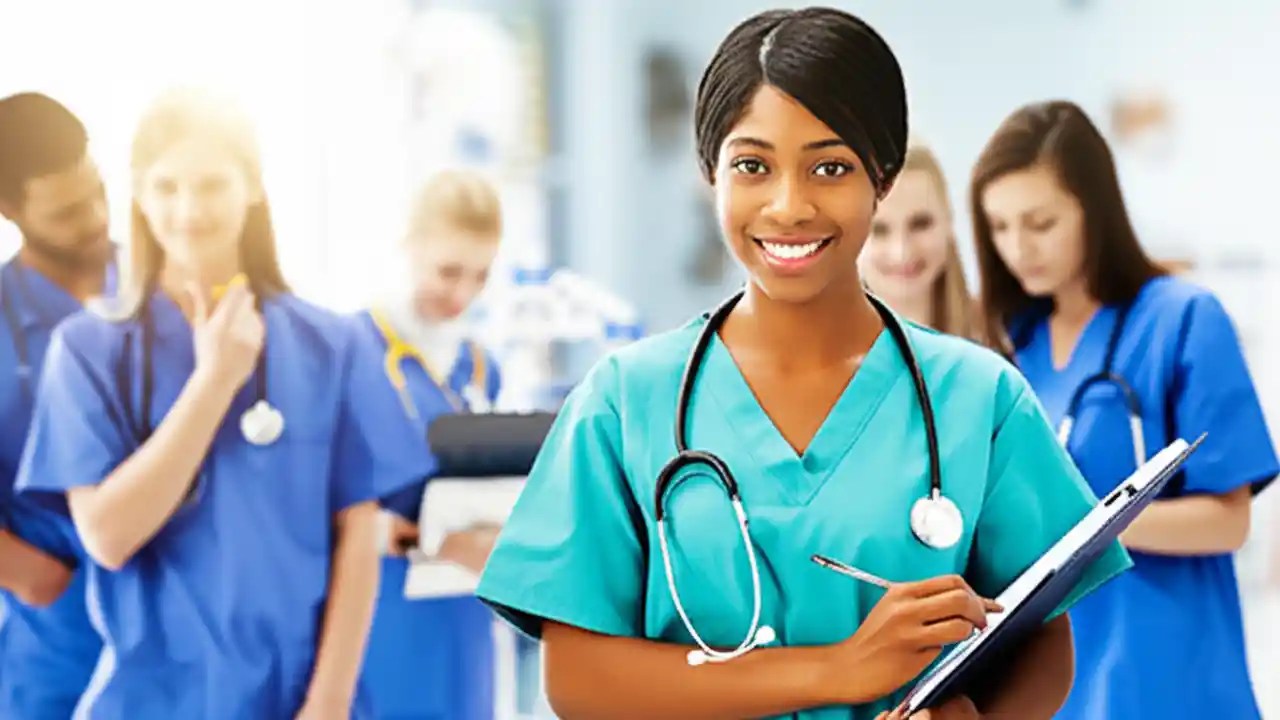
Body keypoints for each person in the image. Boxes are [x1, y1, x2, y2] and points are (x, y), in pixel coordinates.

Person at [474, 8, 1132, 720]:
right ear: (710, 175)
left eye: (830, 167)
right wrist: (835, 671)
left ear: (882, 177)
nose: (789, 206)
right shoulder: (623, 402)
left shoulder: (979, 399)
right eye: (752, 166)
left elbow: (1041, 639)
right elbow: (579, 679)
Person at [14, 86, 432, 719]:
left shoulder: (335, 345)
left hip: (299, 698)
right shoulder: (88, 350)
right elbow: (106, 535)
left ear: (254, 187)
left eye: (211, 184)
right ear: (139, 196)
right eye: (166, 187)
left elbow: (359, 531)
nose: (189, 210)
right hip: (152, 700)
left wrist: (328, 703)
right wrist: (214, 382)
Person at [970, 99, 1277, 720]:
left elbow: (1228, 522)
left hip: (1170, 680)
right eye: (1000, 227)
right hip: (1060, 685)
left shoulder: (1183, 319)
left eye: (1040, 222)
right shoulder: (1015, 347)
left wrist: (1084, 531)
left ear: (1095, 209)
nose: (1018, 248)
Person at [359, 169, 505, 720]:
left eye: (480, 276)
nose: (462, 294)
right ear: (409, 245)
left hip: (461, 606)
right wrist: (399, 534)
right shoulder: (350, 351)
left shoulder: (481, 367)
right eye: (448, 271)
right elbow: (305, 496)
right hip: (381, 604)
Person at [0, 91, 110, 719]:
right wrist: (30, 576)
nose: (96, 218)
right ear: (11, 209)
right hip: (59, 641)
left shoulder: (161, 288)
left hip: (174, 624)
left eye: (98, 192)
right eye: (68, 211)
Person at [860, 142, 981, 341]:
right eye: (878, 230)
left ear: (949, 220)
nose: (901, 252)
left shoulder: (1006, 336)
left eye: (921, 224)